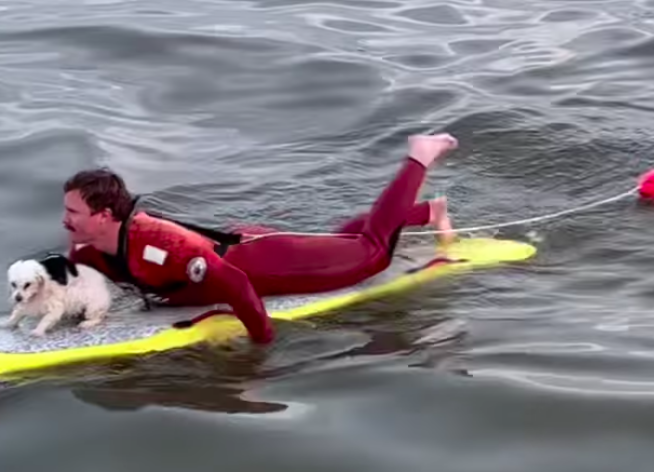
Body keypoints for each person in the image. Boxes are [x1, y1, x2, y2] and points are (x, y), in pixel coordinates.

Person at [60, 134, 460, 345]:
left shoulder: (160, 247)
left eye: (72, 214)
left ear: (105, 216)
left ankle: (419, 156)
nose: (64, 221)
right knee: (344, 242)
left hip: (273, 263)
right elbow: (73, 284)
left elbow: (236, 285)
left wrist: (261, 351)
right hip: (245, 245)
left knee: (371, 254)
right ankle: (428, 212)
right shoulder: (88, 250)